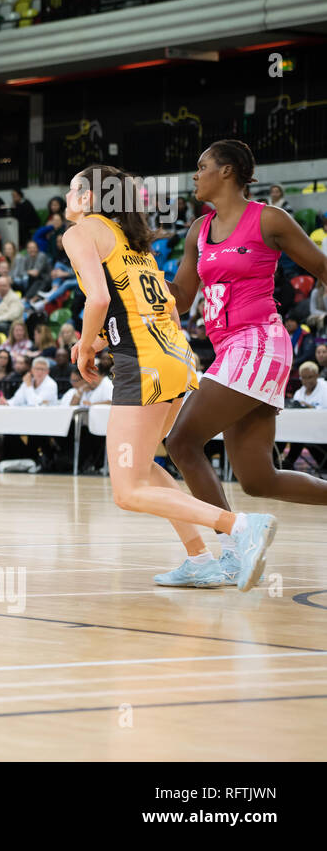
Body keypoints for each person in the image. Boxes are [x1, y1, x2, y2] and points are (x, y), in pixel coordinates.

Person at [63, 162, 275, 591]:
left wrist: (86, 346)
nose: (66, 198)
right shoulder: (131, 240)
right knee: (143, 469)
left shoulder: (81, 232)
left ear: (87, 198)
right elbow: (152, 306)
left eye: (72, 190)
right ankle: (200, 559)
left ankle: (239, 526)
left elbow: (100, 298)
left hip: (143, 366)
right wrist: (102, 341)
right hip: (174, 360)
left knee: (125, 490)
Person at [163, 139, 327, 517]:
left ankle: (232, 546)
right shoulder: (198, 229)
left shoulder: (268, 218)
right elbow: (183, 297)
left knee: (183, 442)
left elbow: (321, 266)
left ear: (227, 171)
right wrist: (140, 272)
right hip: (231, 351)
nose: (195, 175)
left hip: (258, 343)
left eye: (202, 166)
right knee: (258, 481)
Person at [282, 360, 327, 472]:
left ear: (317, 375)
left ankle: (288, 462)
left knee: (298, 437)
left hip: (322, 432)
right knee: (290, 435)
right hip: (304, 432)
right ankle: (280, 462)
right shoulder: (299, 393)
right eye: (303, 378)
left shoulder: (325, 389)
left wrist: (310, 408)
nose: (307, 381)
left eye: (310, 377)